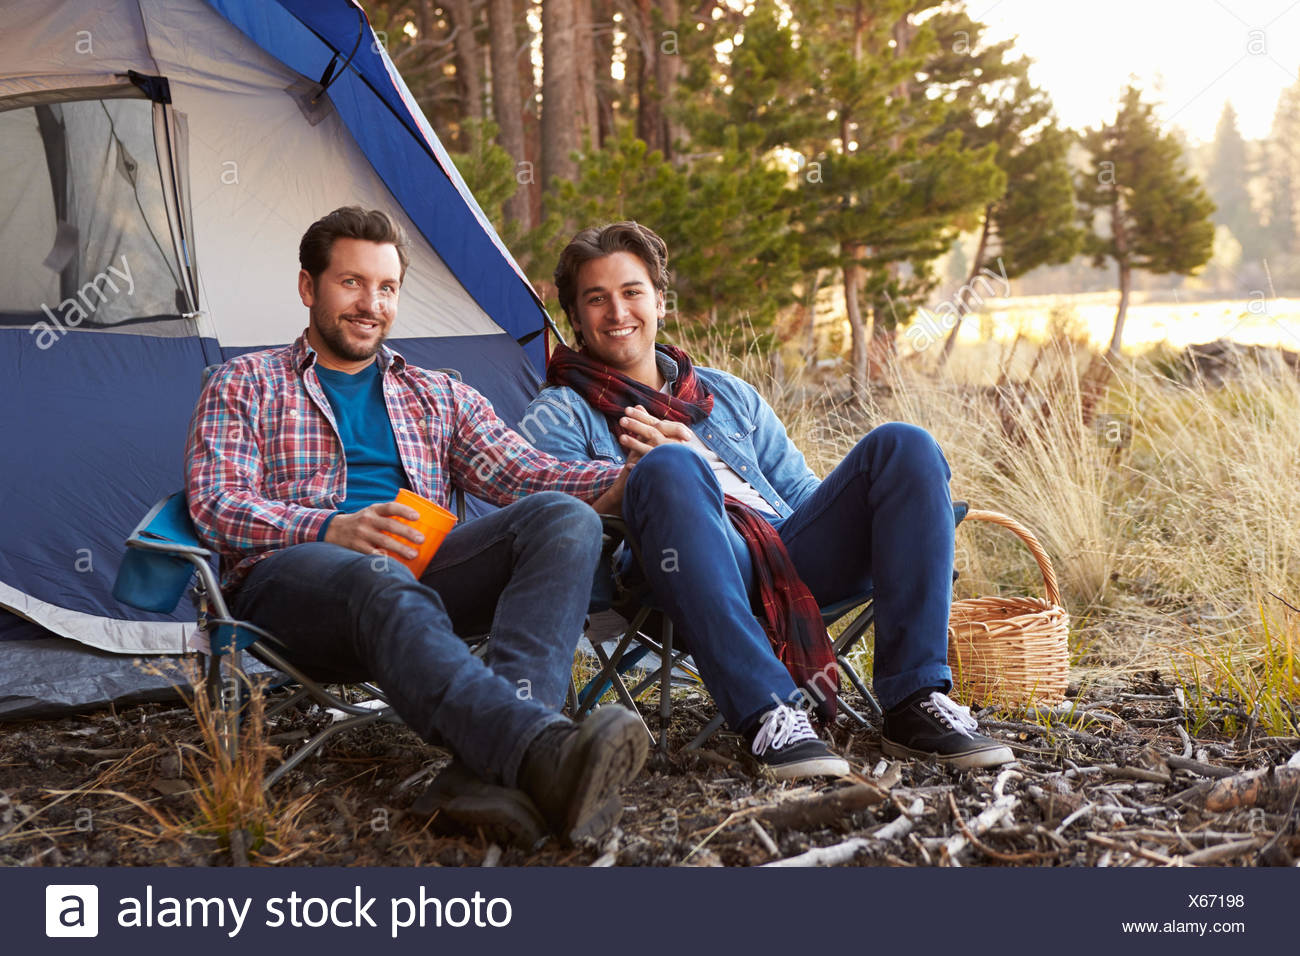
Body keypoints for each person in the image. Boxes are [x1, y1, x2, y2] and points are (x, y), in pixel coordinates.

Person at [185, 206, 647, 849]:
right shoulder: (245, 383)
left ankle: (496, 771)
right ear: (307, 287)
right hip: (292, 587)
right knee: (373, 574)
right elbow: (216, 504)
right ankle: (536, 750)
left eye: (387, 287)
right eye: (351, 283)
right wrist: (330, 528)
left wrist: (615, 483)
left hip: (424, 575)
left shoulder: (438, 393)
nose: (370, 304)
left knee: (565, 519)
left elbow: (522, 473)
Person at [520, 222, 1013, 777]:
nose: (618, 312)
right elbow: (557, 528)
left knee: (905, 445)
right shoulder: (559, 413)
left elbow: (802, 496)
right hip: (681, 572)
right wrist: (654, 476)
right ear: (577, 319)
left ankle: (915, 702)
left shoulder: (727, 394)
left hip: (786, 552)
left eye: (632, 291)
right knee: (670, 465)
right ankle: (770, 714)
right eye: (597, 299)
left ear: (660, 300)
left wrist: (892, 517)